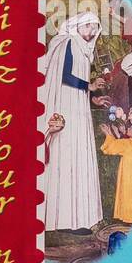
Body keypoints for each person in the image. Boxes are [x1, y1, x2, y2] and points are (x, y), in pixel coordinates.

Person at [42, 12, 108, 234]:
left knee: (78, 158)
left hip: (77, 108)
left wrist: (92, 97)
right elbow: (66, 77)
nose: (90, 31)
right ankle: (63, 220)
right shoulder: (69, 42)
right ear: (77, 25)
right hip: (67, 108)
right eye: (87, 26)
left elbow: (76, 84)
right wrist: (88, 86)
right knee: (66, 158)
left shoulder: (83, 48)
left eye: (94, 28)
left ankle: (78, 219)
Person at [99, 122, 132, 224]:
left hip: (128, 173)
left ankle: (129, 217)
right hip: (130, 172)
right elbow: (117, 144)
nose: (128, 129)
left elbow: (113, 147)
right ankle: (130, 216)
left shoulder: (128, 143)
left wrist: (107, 134)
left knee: (127, 192)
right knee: (129, 192)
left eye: (131, 129)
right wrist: (109, 133)